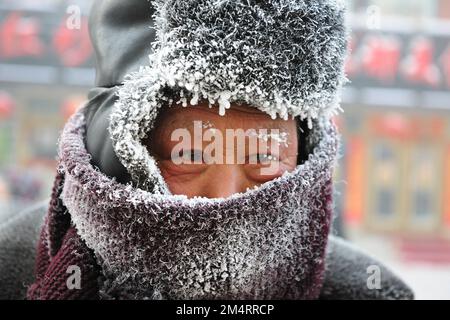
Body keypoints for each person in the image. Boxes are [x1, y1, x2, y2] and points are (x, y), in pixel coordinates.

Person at [0, 0, 413, 300]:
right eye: (189, 156)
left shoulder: (367, 292)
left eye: (265, 160)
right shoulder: (10, 268)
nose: (226, 199)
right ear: (118, 156)